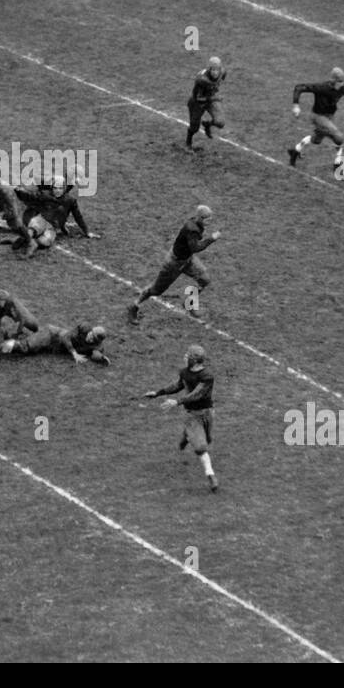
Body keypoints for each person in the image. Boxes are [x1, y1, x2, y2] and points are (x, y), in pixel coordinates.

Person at [142, 345, 219, 492]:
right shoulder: (184, 372)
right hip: (192, 415)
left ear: (195, 360)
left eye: (188, 355)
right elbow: (177, 385)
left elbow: (198, 394)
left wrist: (177, 402)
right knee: (201, 447)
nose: (184, 357)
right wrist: (158, 393)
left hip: (207, 412)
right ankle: (211, 476)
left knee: (208, 440)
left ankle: (187, 436)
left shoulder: (207, 376)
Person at [128, 205, 219, 323]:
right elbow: (195, 247)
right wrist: (211, 238)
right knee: (155, 290)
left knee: (204, 280)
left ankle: (189, 304)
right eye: (208, 220)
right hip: (174, 263)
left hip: (187, 259)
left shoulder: (197, 223)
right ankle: (134, 306)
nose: (210, 222)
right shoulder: (192, 229)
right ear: (200, 218)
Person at [288, 67, 344, 175]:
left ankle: (295, 151)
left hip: (329, 117)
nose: (342, 84)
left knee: (316, 140)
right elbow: (299, 87)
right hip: (317, 116)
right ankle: (338, 164)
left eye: (343, 82)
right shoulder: (321, 87)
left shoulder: (342, 88)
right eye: (339, 82)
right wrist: (296, 105)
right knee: (338, 136)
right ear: (333, 81)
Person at [1, 322, 110, 364]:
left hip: (52, 347)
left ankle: (5, 337)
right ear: (90, 331)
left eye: (93, 339)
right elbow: (66, 338)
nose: (90, 338)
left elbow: (96, 354)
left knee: (32, 345)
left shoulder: (96, 346)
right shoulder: (84, 327)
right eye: (91, 335)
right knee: (26, 348)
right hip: (51, 335)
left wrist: (102, 358)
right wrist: (74, 353)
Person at [186, 56, 225, 149]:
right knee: (194, 128)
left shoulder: (223, 73)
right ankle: (188, 141)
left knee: (220, 122)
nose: (215, 72)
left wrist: (213, 94)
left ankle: (207, 124)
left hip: (210, 98)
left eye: (217, 70)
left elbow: (219, 82)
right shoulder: (202, 79)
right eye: (213, 70)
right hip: (197, 103)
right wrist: (214, 98)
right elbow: (198, 98)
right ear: (209, 69)